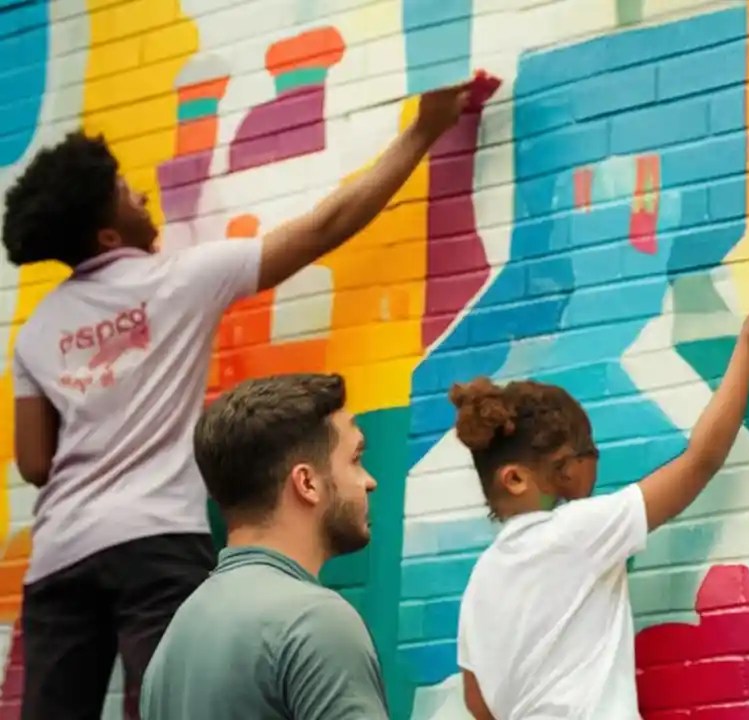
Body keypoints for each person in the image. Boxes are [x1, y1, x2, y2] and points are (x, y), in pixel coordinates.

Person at [3, 74, 484, 719]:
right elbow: (326, 227)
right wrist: (424, 130)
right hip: (157, 540)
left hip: (63, 556)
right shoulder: (179, 278)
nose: (141, 194)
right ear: (108, 238)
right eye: (124, 192)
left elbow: (35, 462)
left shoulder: (37, 334)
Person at [448, 297, 749, 719]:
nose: (594, 459)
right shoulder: (575, 532)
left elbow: (477, 703)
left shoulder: (481, 583)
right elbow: (699, 462)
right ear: (517, 479)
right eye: (584, 450)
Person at [139, 372, 385, 719]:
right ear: (307, 483)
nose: (369, 481)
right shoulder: (316, 622)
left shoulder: (172, 647)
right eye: (355, 460)